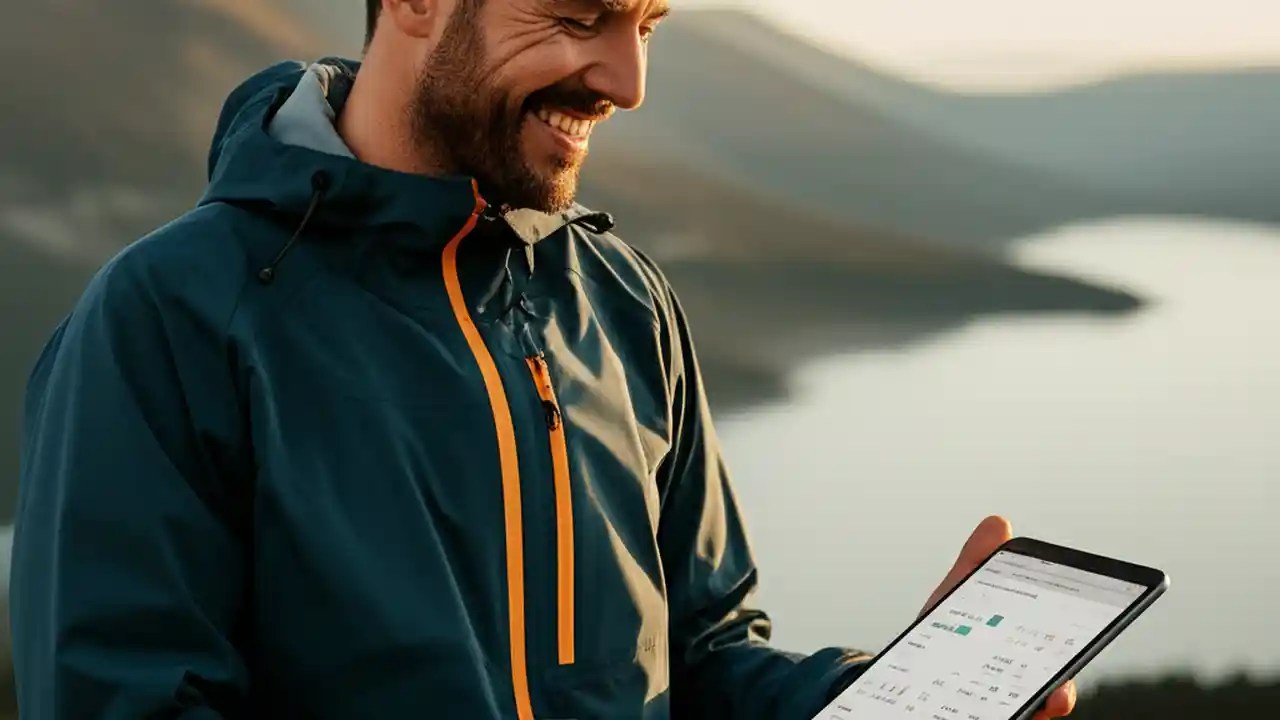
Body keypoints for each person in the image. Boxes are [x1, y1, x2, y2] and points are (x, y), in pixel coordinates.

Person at [9, 1, 1077, 718]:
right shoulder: (169, 320)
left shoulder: (623, 302)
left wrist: (882, 698)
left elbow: (700, 661)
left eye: (648, 21)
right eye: (578, 14)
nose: (627, 78)